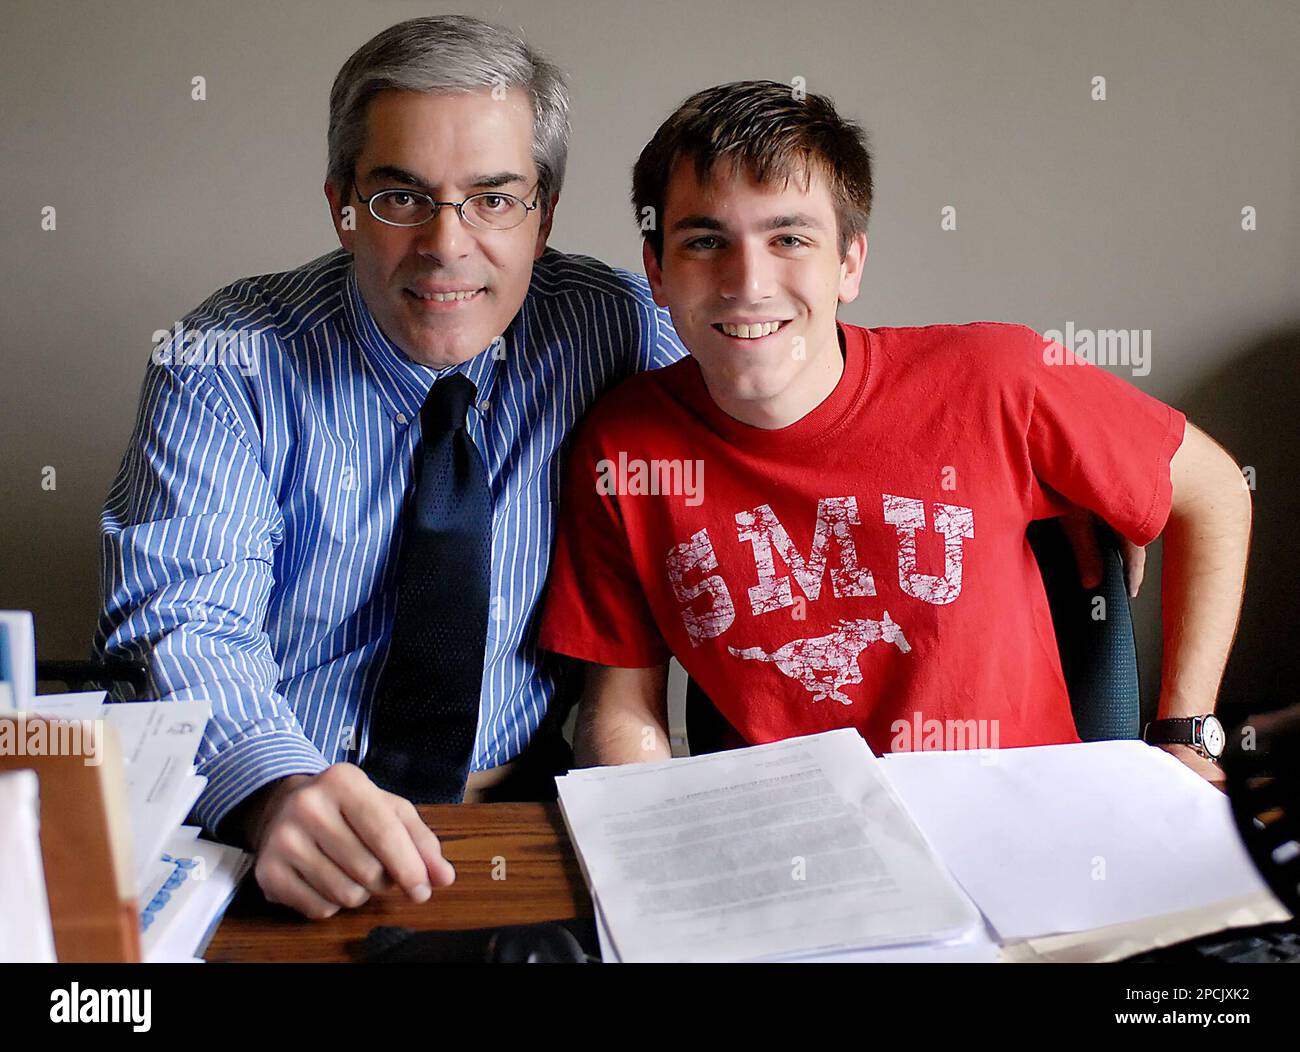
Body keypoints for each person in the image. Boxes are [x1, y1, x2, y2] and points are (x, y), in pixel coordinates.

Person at [93, 15, 686, 921]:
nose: (446, 245)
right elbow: (183, 617)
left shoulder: (618, 329)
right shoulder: (226, 357)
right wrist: (272, 788)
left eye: (494, 198)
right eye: (400, 198)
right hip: (268, 826)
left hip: (522, 820)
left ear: (546, 213)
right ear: (341, 201)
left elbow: (782, 407)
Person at [538, 81, 1252, 784]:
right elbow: (622, 706)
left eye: (789, 237)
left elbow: (1215, 489)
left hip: (1019, 823)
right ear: (657, 269)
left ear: (848, 263)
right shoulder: (624, 446)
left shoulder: (995, 377)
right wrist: (646, 840)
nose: (747, 281)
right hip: (797, 848)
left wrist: (1189, 736)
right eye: (705, 242)